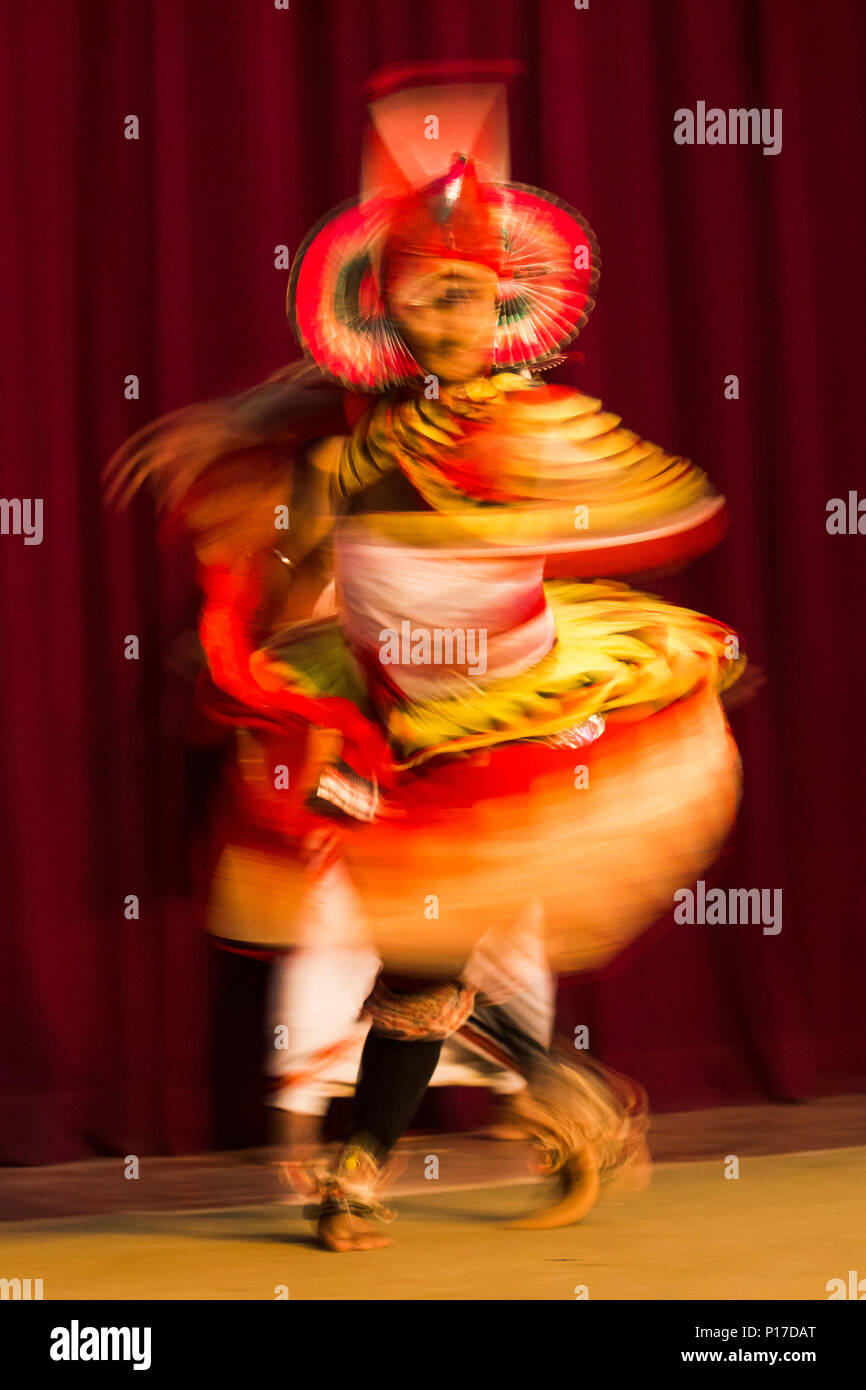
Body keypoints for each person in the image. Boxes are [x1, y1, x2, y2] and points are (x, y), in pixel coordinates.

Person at [109, 65, 743, 1253]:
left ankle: (379, 1162)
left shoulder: (528, 424)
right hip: (390, 708)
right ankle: (547, 1099)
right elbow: (297, 509)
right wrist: (252, 455)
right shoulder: (353, 419)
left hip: (510, 708)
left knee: (418, 961)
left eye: (461, 295)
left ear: (498, 304)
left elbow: (656, 506)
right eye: (418, 298)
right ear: (384, 308)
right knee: (416, 955)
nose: (439, 319)